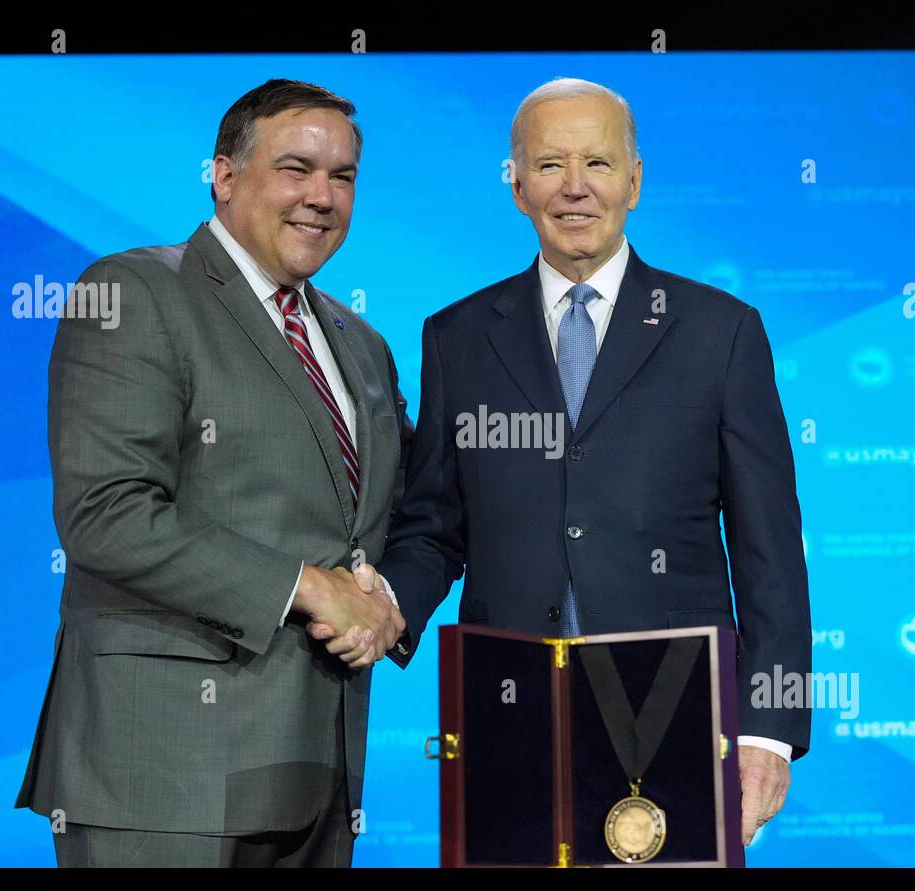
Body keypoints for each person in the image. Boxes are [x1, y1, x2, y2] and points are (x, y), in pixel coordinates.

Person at [341, 77, 812, 849]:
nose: (574, 187)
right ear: (517, 184)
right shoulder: (456, 336)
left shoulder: (720, 331)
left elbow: (770, 550)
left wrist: (767, 726)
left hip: (678, 709)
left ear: (634, 179)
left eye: (597, 162)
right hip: (506, 712)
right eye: (550, 164)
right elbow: (434, 523)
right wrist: (387, 598)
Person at [14, 79, 411, 867]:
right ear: (225, 176)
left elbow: (401, 512)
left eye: (343, 177)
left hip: (317, 774)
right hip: (165, 776)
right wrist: (305, 584)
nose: (322, 197)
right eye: (296, 168)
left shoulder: (361, 343)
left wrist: (389, 601)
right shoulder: (134, 290)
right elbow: (108, 513)